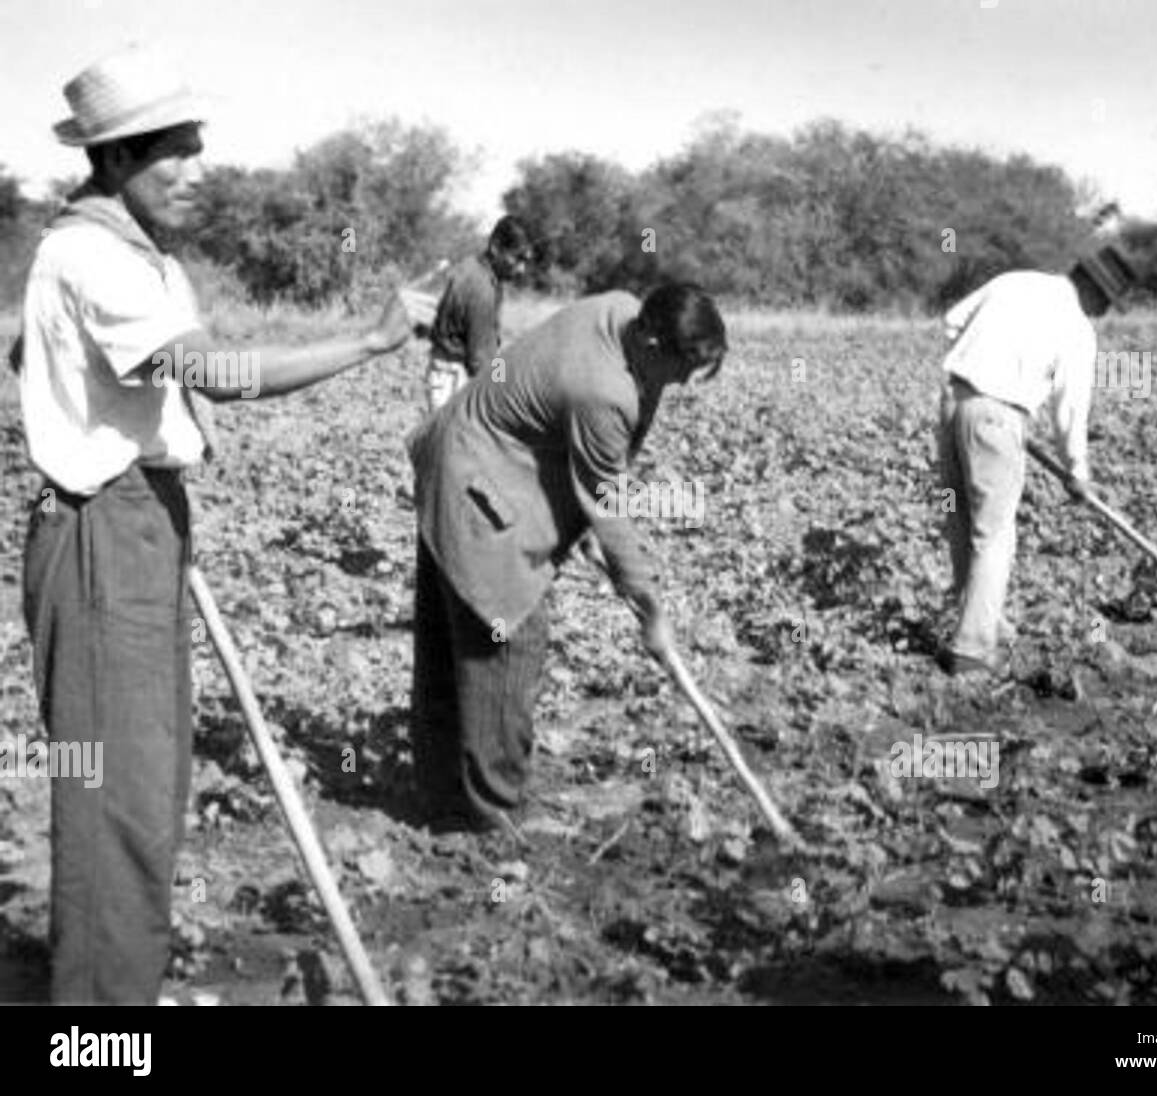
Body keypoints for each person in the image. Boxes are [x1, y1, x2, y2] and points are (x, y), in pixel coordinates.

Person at [15, 43, 412, 1004]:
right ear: (112, 162)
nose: (196, 170)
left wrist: (125, 443)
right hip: (101, 537)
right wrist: (366, 340)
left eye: (197, 147)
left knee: (146, 786)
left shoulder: (139, 259)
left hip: (138, 520)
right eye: (171, 153)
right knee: (112, 793)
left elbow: (34, 352)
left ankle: (119, 996)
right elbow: (216, 377)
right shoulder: (90, 256)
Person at [406, 284, 727, 833]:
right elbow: (608, 503)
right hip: (475, 479)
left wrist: (574, 522)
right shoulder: (602, 391)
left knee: (452, 632)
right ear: (651, 340)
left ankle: (440, 799)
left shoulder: (622, 309)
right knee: (508, 635)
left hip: (463, 455)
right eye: (683, 367)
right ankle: (495, 815)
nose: (686, 383)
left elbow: (562, 444)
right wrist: (652, 613)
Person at [934, 246, 1138, 676]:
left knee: (962, 520)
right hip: (998, 418)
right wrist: (1078, 470)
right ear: (1093, 290)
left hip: (953, 403)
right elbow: (1070, 409)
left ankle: (983, 621)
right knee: (995, 535)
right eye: (1104, 302)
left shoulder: (1014, 281)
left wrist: (980, 370)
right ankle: (971, 650)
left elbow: (951, 320)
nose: (1102, 312)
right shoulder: (1077, 329)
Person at [422, 215, 532, 411]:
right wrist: (502, 389)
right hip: (455, 377)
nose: (521, 269)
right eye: (517, 258)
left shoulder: (474, 267)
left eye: (525, 261)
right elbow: (480, 359)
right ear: (496, 247)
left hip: (446, 370)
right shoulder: (482, 289)